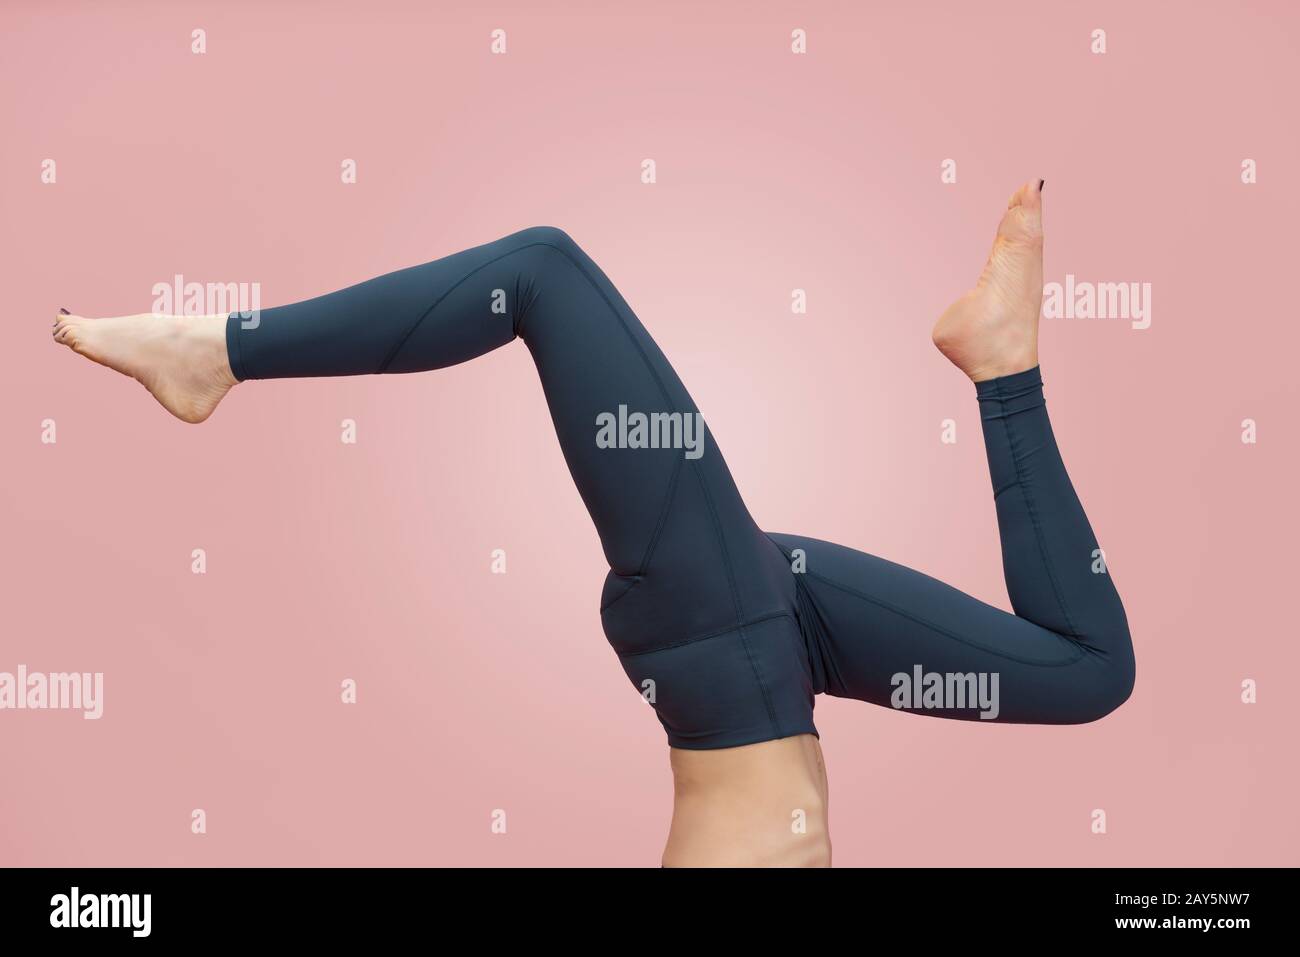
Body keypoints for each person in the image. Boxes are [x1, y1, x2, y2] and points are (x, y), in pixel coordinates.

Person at [53, 179, 1133, 867]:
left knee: (541, 273)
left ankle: (214, 353)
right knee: (1089, 674)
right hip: (768, 635)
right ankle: (1001, 362)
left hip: (727, 648)